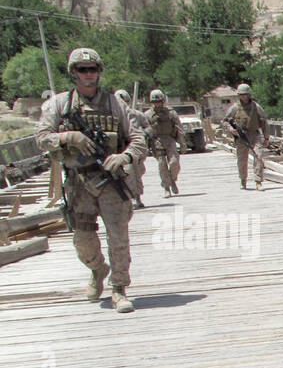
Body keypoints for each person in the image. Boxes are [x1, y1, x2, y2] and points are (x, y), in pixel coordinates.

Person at [36, 48, 146, 314]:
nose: (89, 75)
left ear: (99, 71)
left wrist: (124, 157)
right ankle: (98, 269)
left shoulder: (115, 104)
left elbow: (139, 139)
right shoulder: (59, 106)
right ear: (73, 73)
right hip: (79, 183)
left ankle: (119, 289)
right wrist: (68, 138)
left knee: (118, 237)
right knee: (83, 241)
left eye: (93, 69)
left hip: (110, 182)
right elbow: (40, 138)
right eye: (83, 70)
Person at [227, 82, 269, 190]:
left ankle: (258, 181)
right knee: (242, 159)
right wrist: (231, 129)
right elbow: (225, 121)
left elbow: (264, 121)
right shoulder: (235, 108)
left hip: (254, 134)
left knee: (258, 156)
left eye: (245, 94)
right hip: (241, 136)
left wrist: (266, 137)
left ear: (249, 94)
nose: (243, 97)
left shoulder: (256, 107)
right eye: (241, 95)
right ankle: (243, 180)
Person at [113, 90, 148, 208]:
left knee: (133, 172)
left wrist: (143, 134)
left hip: (132, 149)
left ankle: (136, 198)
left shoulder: (136, 115)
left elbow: (148, 127)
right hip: (116, 149)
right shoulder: (111, 115)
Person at [146, 89, 183, 197]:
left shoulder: (171, 113)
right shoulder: (148, 115)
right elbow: (145, 131)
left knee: (174, 163)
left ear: (163, 101)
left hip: (170, 140)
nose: (158, 104)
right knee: (162, 166)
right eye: (155, 102)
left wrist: (182, 143)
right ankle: (166, 187)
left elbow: (179, 128)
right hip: (157, 141)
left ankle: (172, 180)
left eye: (160, 101)